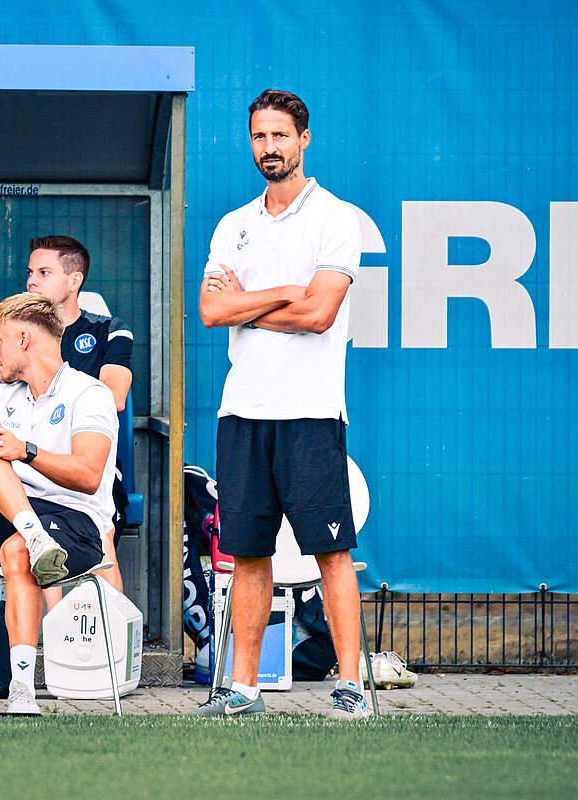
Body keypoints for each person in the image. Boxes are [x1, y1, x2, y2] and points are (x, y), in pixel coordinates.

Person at [191, 89, 368, 718]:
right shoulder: (232, 224)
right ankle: (242, 689)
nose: (269, 147)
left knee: (331, 551)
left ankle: (352, 686)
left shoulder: (335, 218)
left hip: (312, 414)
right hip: (242, 413)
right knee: (246, 554)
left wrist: (254, 300)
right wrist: (285, 292)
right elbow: (213, 310)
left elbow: (320, 314)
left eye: (280, 136)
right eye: (260, 136)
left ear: (304, 139)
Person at [0, 293, 118, 715]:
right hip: (7, 516)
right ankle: (33, 535)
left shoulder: (89, 394)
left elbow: (88, 475)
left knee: (17, 552)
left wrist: (24, 449)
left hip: (74, 522)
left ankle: (21, 689)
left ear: (23, 338)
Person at [25, 235, 133, 595]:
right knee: (37, 535)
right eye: (30, 272)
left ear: (74, 282)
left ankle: (114, 645)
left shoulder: (108, 329)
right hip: (31, 466)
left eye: (44, 272)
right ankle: (52, 646)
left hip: (90, 467)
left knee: (103, 533)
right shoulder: (20, 334)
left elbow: (114, 396)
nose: (32, 281)